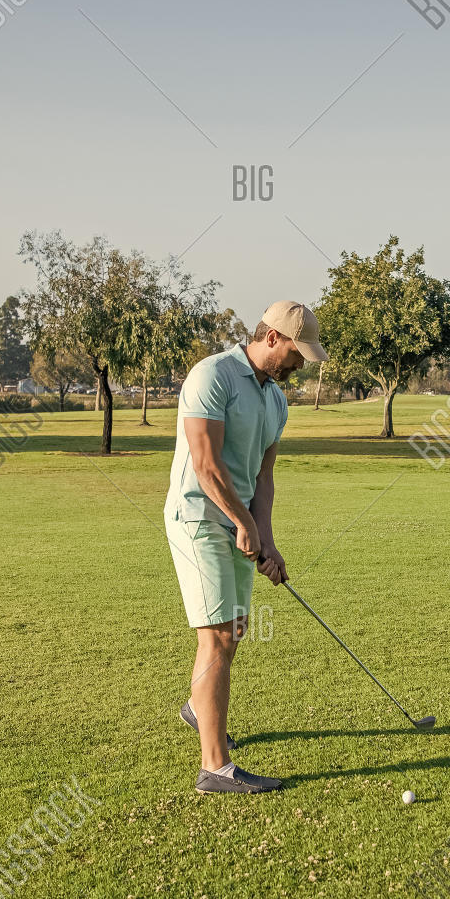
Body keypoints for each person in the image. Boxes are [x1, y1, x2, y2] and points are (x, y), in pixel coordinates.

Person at [164, 301, 326, 794]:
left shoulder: (276, 400)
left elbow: (264, 477)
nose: (301, 365)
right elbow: (206, 463)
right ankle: (215, 768)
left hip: (238, 522)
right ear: (273, 337)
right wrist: (242, 523)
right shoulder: (211, 376)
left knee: (234, 630)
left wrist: (267, 537)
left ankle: (198, 707)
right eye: (298, 353)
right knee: (214, 638)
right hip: (199, 518)